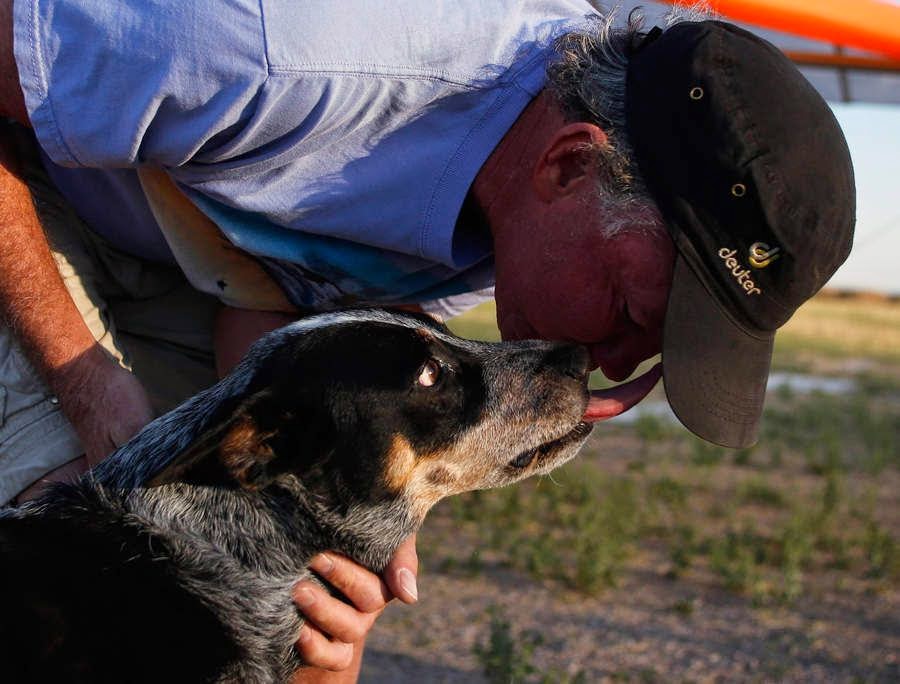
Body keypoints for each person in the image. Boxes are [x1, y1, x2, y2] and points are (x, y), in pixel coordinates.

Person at [0, 0, 854, 681]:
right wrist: (88, 385)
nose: (619, 363)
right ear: (568, 164)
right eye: (633, 308)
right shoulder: (273, 44)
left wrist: (342, 547)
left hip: (197, 258)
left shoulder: (527, 217)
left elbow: (275, 315)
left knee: (278, 621)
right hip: (33, 193)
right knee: (87, 571)